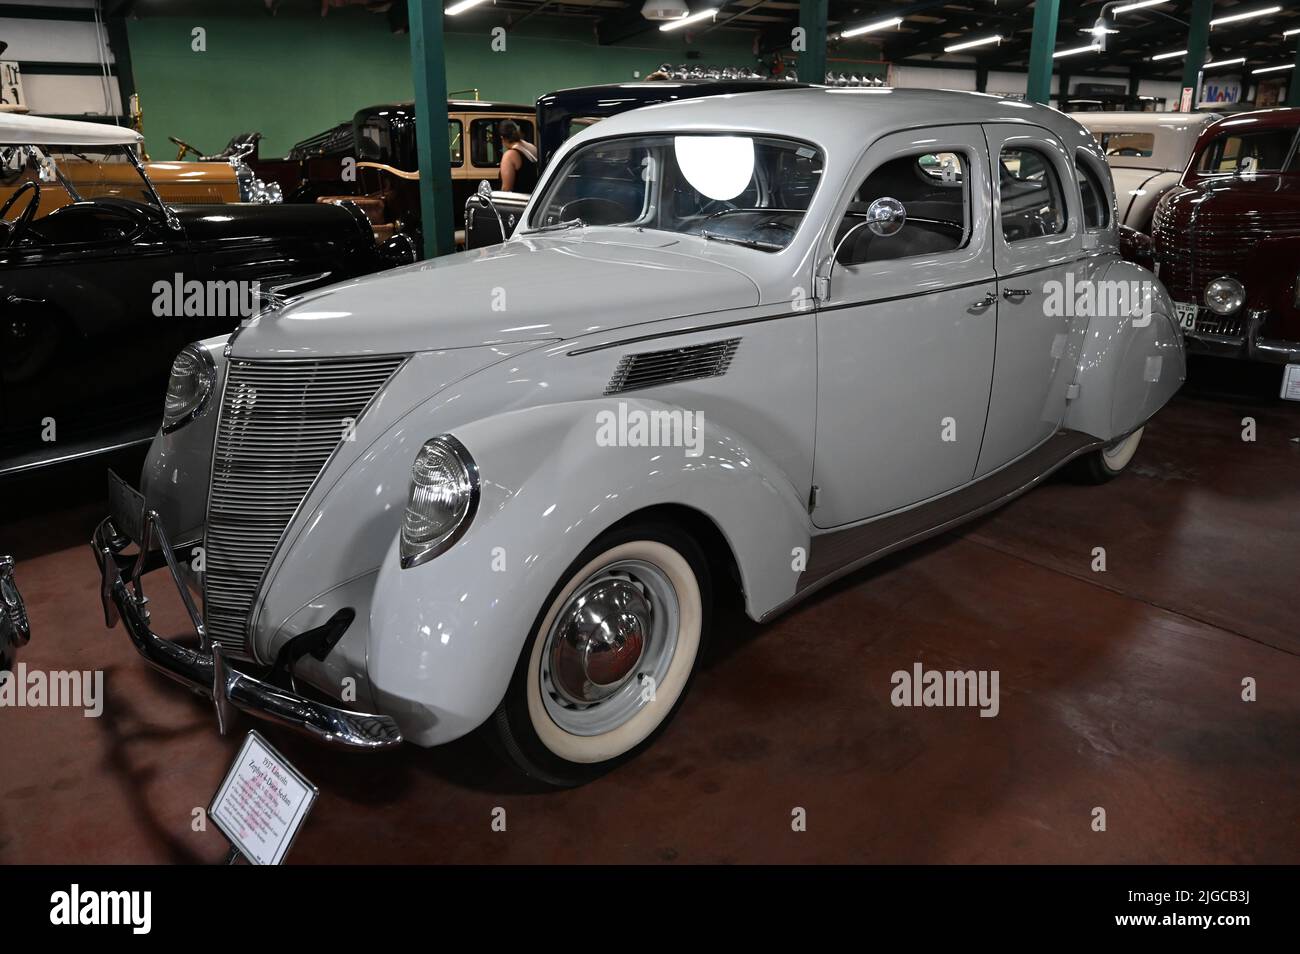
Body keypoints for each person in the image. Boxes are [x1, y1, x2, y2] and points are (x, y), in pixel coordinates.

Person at [498, 120, 538, 193]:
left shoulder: (509, 155)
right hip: (535, 199)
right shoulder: (532, 147)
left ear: (502, 138)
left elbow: (506, 189)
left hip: (521, 202)